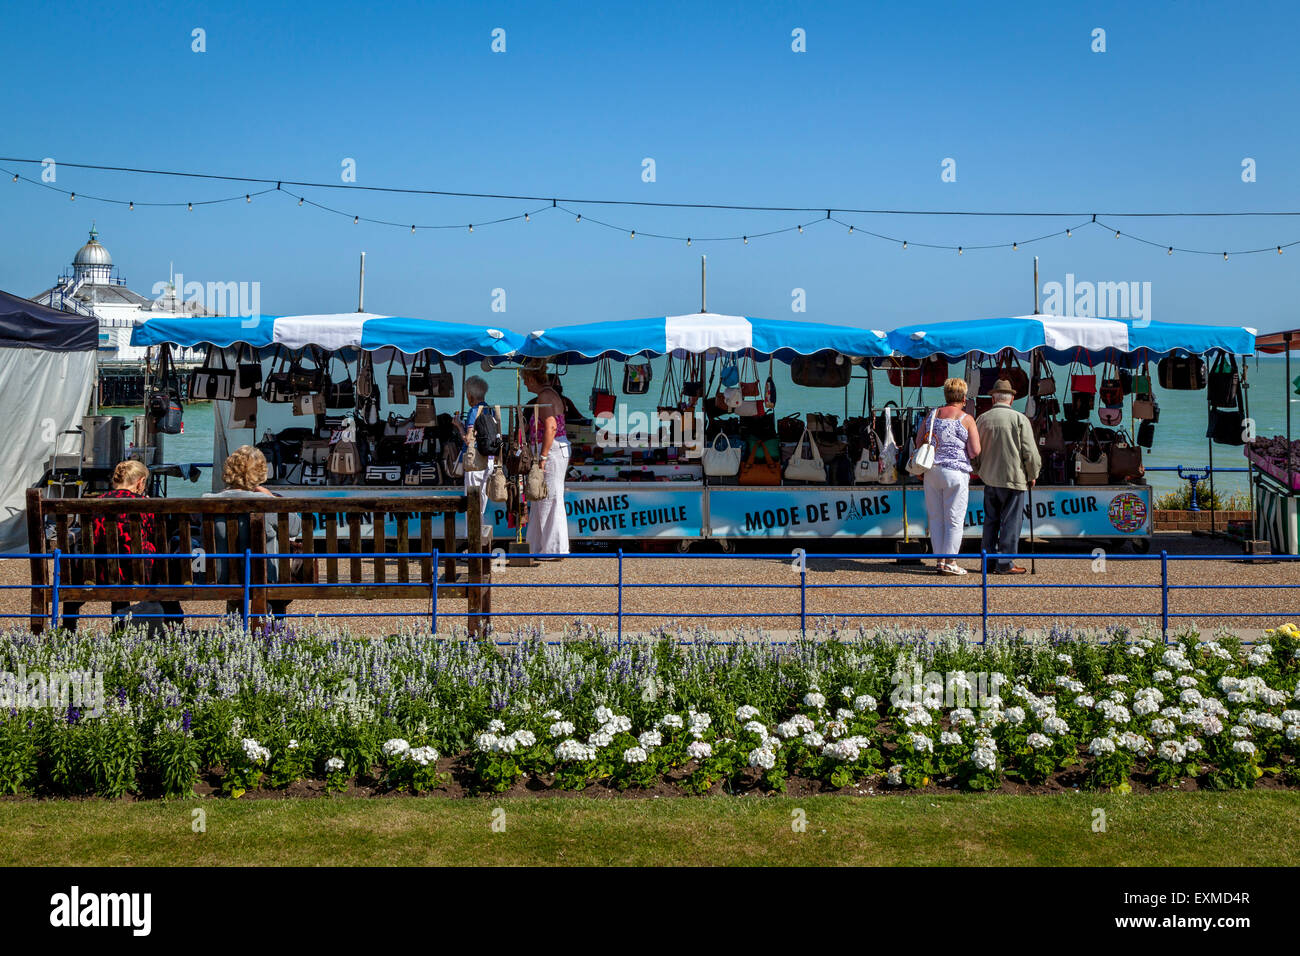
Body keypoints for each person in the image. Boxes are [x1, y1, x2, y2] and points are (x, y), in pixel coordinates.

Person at [78, 459, 184, 628]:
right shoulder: (145, 505)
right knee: (160, 562)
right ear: (140, 482)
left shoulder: (96, 502)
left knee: (113, 559)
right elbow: (156, 537)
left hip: (100, 572)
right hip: (140, 572)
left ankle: (74, 625)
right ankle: (175, 621)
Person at [203, 445, 302, 617]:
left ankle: (236, 626)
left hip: (221, 576)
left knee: (234, 564)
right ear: (260, 472)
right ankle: (270, 624)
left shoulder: (208, 502)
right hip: (264, 576)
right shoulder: (266, 502)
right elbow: (295, 528)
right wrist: (271, 498)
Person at [974, 378, 1042, 575]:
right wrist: (1033, 474)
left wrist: (978, 469)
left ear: (993, 398)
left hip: (989, 478)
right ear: (1011, 399)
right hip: (1014, 478)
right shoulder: (1020, 419)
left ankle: (987, 562)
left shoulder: (982, 419)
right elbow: (1030, 453)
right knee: (1011, 521)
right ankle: (1005, 563)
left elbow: (974, 451)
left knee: (990, 521)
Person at [918, 378, 981, 575]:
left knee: (936, 518)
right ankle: (950, 562)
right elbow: (975, 451)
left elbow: (919, 441)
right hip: (955, 474)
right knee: (954, 519)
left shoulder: (933, 415)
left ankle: (939, 560)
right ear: (963, 398)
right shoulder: (966, 419)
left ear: (946, 396)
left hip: (932, 472)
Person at [522, 360, 570, 559]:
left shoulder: (544, 396)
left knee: (548, 499)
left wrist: (542, 457)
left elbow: (551, 426)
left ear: (532, 379)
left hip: (551, 450)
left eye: (525, 380)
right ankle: (537, 546)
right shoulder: (550, 393)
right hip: (555, 448)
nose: (525, 385)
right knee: (542, 498)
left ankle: (553, 548)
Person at [454, 375, 498, 547]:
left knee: (472, 502)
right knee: (482, 500)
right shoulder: (490, 410)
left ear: (470, 395)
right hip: (489, 460)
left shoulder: (474, 411)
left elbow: (469, 439)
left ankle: (472, 541)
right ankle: (479, 539)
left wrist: (458, 426)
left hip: (475, 463)